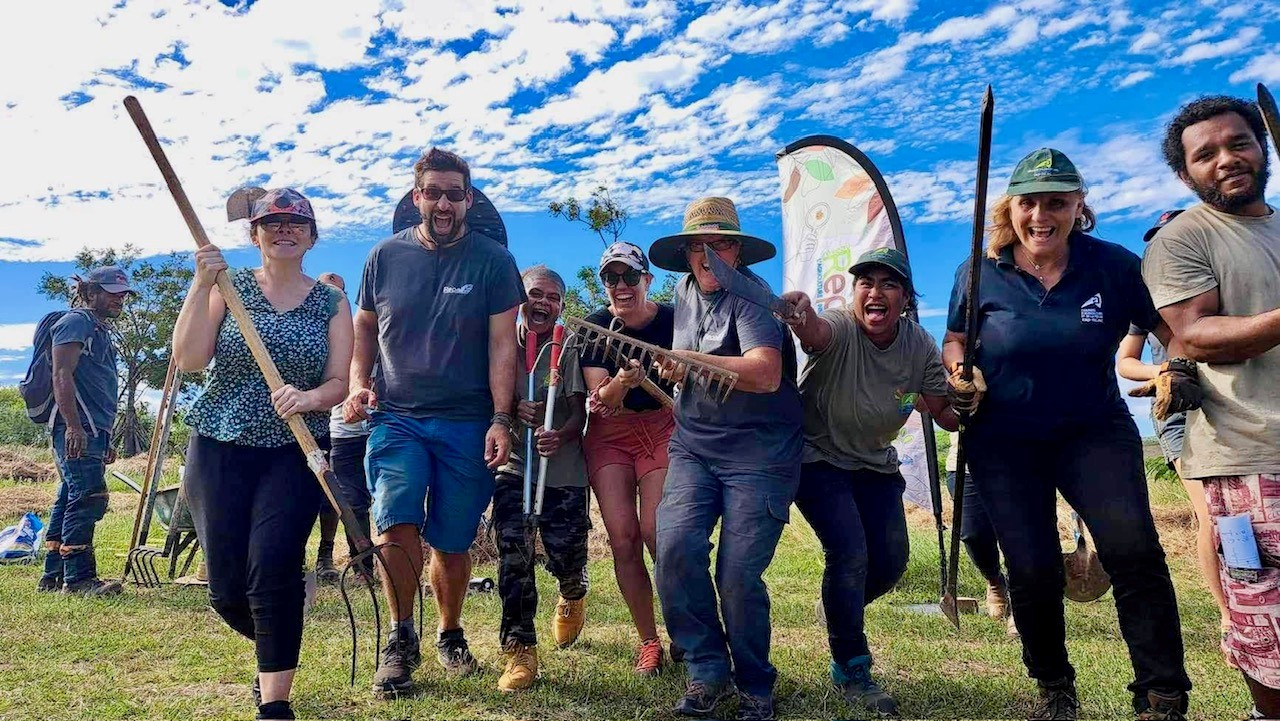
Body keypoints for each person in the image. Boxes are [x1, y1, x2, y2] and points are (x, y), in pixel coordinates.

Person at [942, 148, 1191, 721]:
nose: (1041, 216)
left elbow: (1172, 331)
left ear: (1079, 206)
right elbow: (955, 339)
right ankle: (1054, 687)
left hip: (1093, 431)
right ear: (1011, 208)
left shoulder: (1114, 265)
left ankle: (1162, 694)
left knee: (1132, 551)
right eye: (1029, 203)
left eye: (1056, 202)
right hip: (1004, 437)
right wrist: (960, 371)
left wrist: (1175, 367)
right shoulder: (978, 270)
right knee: (1031, 568)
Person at [344, 147, 524, 697]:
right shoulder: (384, 256)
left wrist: (501, 418)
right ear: (416, 196)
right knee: (395, 518)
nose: (443, 204)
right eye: (433, 193)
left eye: (454, 194)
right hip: (397, 417)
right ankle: (400, 638)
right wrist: (357, 382)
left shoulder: (493, 261)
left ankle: (448, 632)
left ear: (468, 199)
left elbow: (503, 345)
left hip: (467, 421)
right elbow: (365, 328)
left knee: (451, 538)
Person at [172, 188, 352, 721]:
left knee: (274, 569)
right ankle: (278, 637)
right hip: (219, 443)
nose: (284, 230)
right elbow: (189, 358)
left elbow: (339, 381)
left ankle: (275, 701)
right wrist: (201, 282)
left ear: (312, 237)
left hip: (293, 449)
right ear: (255, 235)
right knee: (227, 589)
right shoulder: (229, 288)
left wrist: (308, 398)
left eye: (296, 223)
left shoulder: (331, 302)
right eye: (272, 223)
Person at [778, 247, 961, 717]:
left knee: (891, 562)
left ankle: (839, 607)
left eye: (889, 284)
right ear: (855, 292)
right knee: (849, 554)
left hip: (876, 464)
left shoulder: (919, 345)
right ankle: (852, 667)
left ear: (906, 299)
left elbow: (945, 415)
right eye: (866, 282)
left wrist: (969, 399)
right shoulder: (840, 327)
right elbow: (815, 333)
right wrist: (801, 316)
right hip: (817, 457)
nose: (875, 292)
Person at [1143, 95, 1280, 719]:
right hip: (1247, 458)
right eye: (1206, 154)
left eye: (1239, 143)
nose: (1226, 159)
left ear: (1262, 147)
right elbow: (1193, 335)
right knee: (1265, 622)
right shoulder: (1182, 239)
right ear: (1185, 173)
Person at [650, 196, 803, 721]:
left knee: (737, 574)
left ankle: (755, 683)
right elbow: (687, 359)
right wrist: (676, 368)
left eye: (719, 245)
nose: (707, 257)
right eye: (698, 246)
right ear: (686, 254)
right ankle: (706, 669)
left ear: (737, 251)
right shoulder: (683, 291)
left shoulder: (753, 297)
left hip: (760, 452)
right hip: (695, 444)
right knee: (674, 549)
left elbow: (765, 373)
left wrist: (689, 359)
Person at [1119, 210, 1230, 648]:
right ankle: (1228, 616)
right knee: (1212, 514)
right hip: (1179, 409)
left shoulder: (1222, 282)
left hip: (1236, 404)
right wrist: (1165, 369)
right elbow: (1126, 363)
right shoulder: (1149, 299)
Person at [579, 241, 678, 676]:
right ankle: (648, 641)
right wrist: (622, 381)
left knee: (659, 532)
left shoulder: (674, 320)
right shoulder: (594, 328)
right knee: (623, 538)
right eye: (611, 277)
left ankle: (686, 631)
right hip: (610, 436)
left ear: (647, 280)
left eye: (630, 276)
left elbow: (695, 368)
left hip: (662, 427)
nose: (621, 285)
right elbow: (600, 400)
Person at [491, 265, 591, 692]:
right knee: (513, 552)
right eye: (536, 294)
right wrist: (513, 406)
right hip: (515, 464)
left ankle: (572, 591)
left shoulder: (569, 346)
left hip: (563, 468)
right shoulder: (500, 341)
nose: (543, 303)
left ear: (561, 306)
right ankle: (520, 649)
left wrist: (560, 434)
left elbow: (580, 411)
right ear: (521, 298)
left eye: (553, 298)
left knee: (565, 553)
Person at [37, 266, 133, 597]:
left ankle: (53, 576)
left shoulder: (97, 329)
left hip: (92, 428)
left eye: (123, 294)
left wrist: (105, 438)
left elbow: (96, 386)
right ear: (90, 293)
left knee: (71, 494)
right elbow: (61, 374)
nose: (120, 299)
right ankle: (78, 580)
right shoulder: (76, 322)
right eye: (112, 293)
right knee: (89, 496)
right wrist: (74, 427)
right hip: (75, 426)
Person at [318, 272, 374, 580]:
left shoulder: (363, 333)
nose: (331, 296)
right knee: (345, 499)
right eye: (325, 290)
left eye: (337, 292)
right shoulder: (313, 337)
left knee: (380, 499)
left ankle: (373, 565)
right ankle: (353, 564)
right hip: (339, 432)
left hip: (376, 429)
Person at [943, 433, 1016, 638]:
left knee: (1017, 536)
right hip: (965, 463)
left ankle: (1020, 605)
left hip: (1018, 461)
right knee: (973, 533)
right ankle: (995, 581)